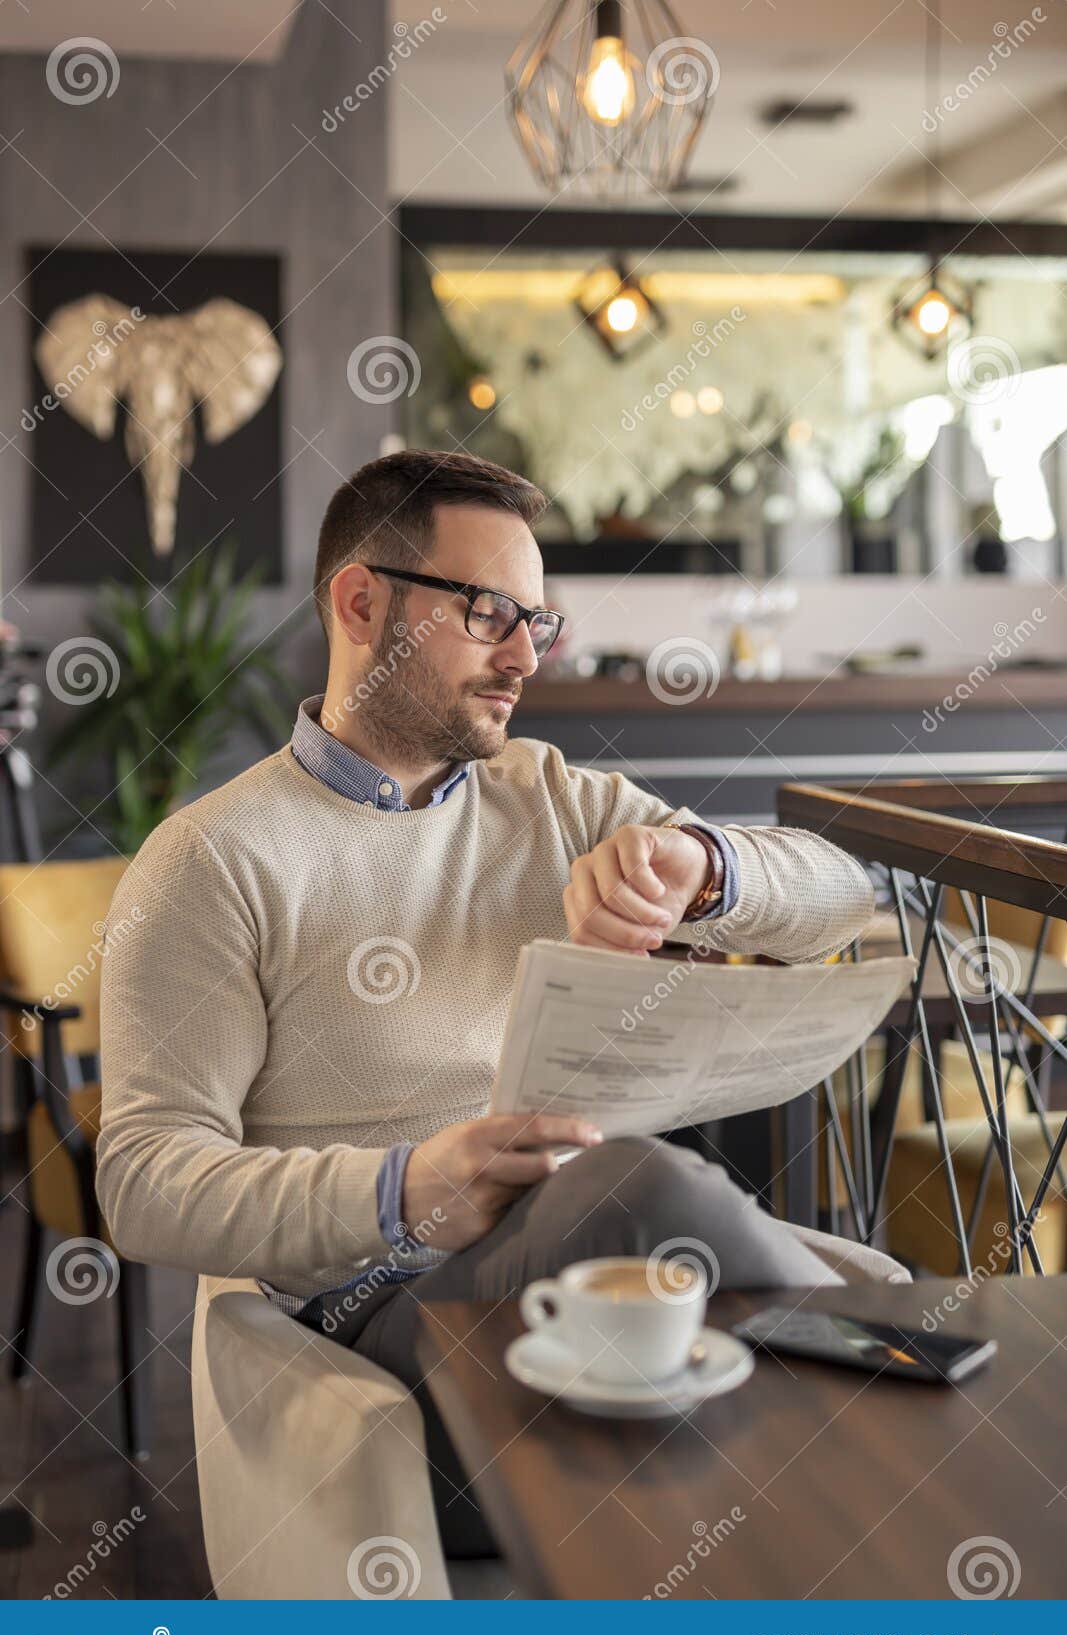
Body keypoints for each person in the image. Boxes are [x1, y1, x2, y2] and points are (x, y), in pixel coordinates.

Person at [97, 449, 874, 1557]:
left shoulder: (553, 797)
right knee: (643, 1185)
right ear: (362, 603)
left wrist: (700, 863)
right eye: (486, 612)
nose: (523, 655)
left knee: (671, 1262)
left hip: (561, 1259)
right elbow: (141, 1179)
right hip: (388, 1322)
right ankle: (931, 1423)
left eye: (538, 622)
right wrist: (401, 1187)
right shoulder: (213, 859)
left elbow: (843, 898)